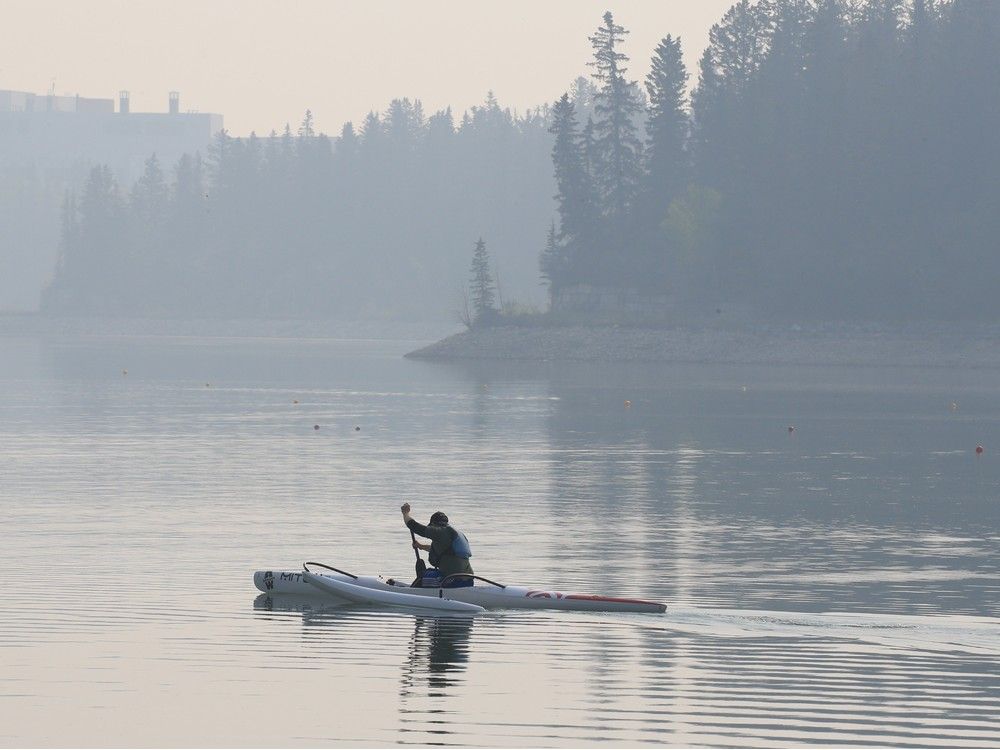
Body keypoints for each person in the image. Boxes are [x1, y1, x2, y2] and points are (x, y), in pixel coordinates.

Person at [401, 503, 474, 586]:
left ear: (434, 524)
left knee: (422, 577)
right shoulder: (455, 534)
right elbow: (443, 551)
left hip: (452, 581)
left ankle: (412, 594)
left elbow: (415, 526)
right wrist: (420, 546)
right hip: (468, 580)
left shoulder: (439, 531)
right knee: (429, 573)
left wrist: (405, 513)